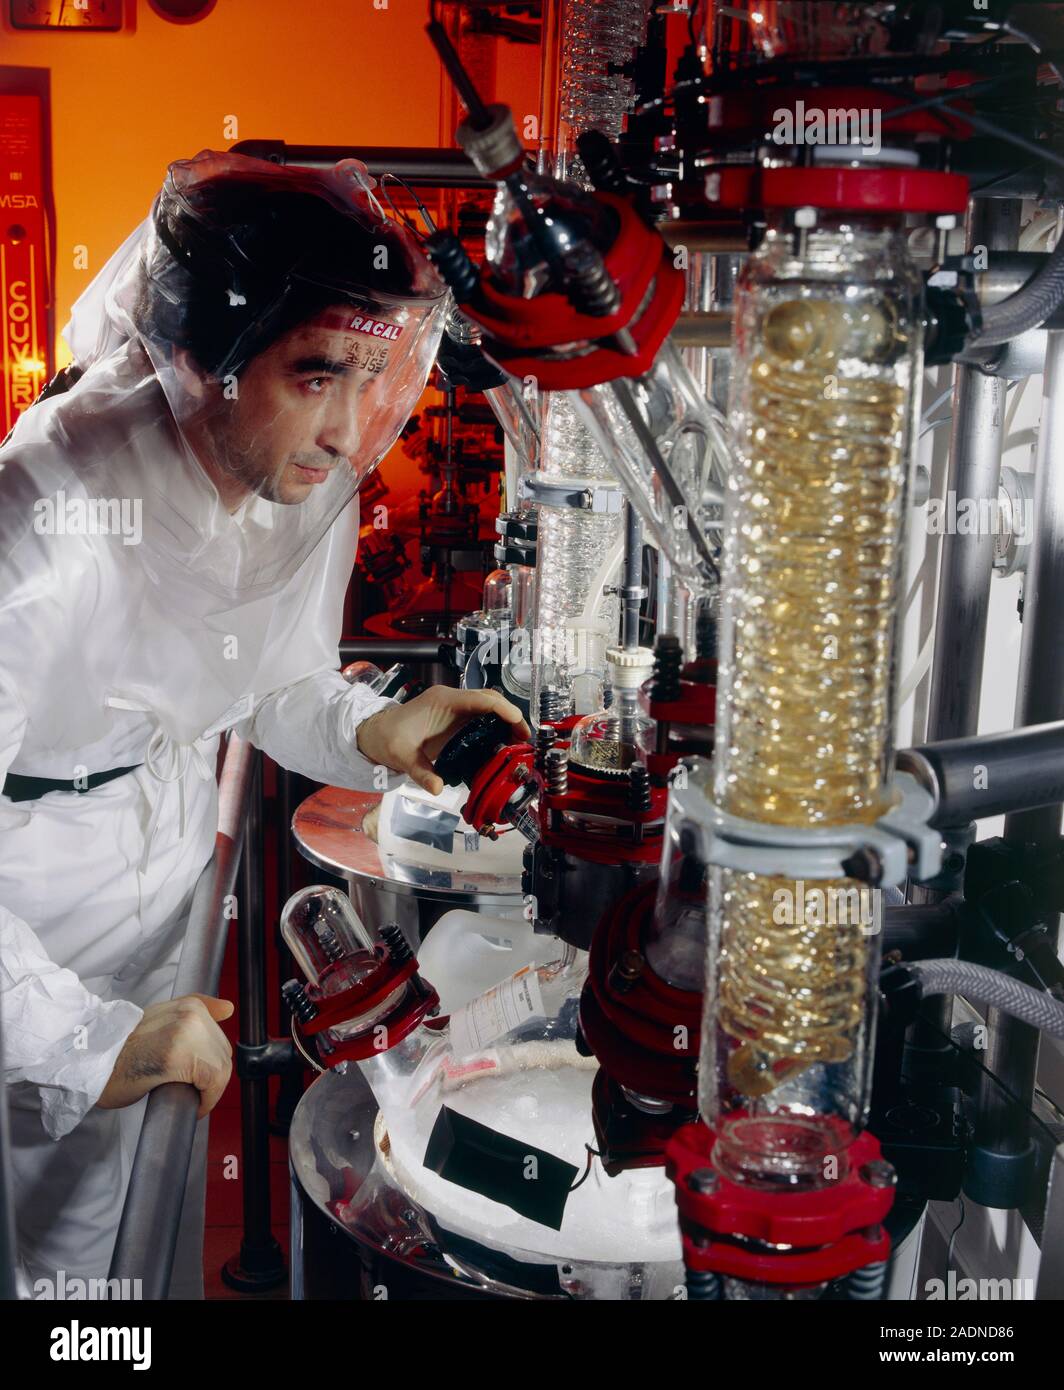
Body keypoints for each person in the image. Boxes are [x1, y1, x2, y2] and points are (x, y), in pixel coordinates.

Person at [0, 150, 526, 1297]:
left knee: (125, 1243)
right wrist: (77, 1041)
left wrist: (377, 730)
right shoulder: (43, 518)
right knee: (44, 1254)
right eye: (316, 372)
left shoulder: (283, 481)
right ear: (201, 358)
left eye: (369, 376)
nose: (347, 429)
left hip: (162, 875)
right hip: (27, 922)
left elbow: (264, 678)